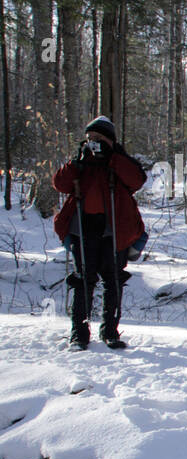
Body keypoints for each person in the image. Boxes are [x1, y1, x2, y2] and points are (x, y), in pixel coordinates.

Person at [52, 117, 147, 350]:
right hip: (82, 228)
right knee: (83, 278)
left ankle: (110, 331)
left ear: (110, 140)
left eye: (99, 139)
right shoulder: (81, 162)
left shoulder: (120, 160)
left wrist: (112, 156)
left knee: (113, 278)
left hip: (114, 229)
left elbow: (137, 180)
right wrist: (78, 161)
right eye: (90, 139)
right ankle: (79, 332)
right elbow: (60, 184)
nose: (94, 143)